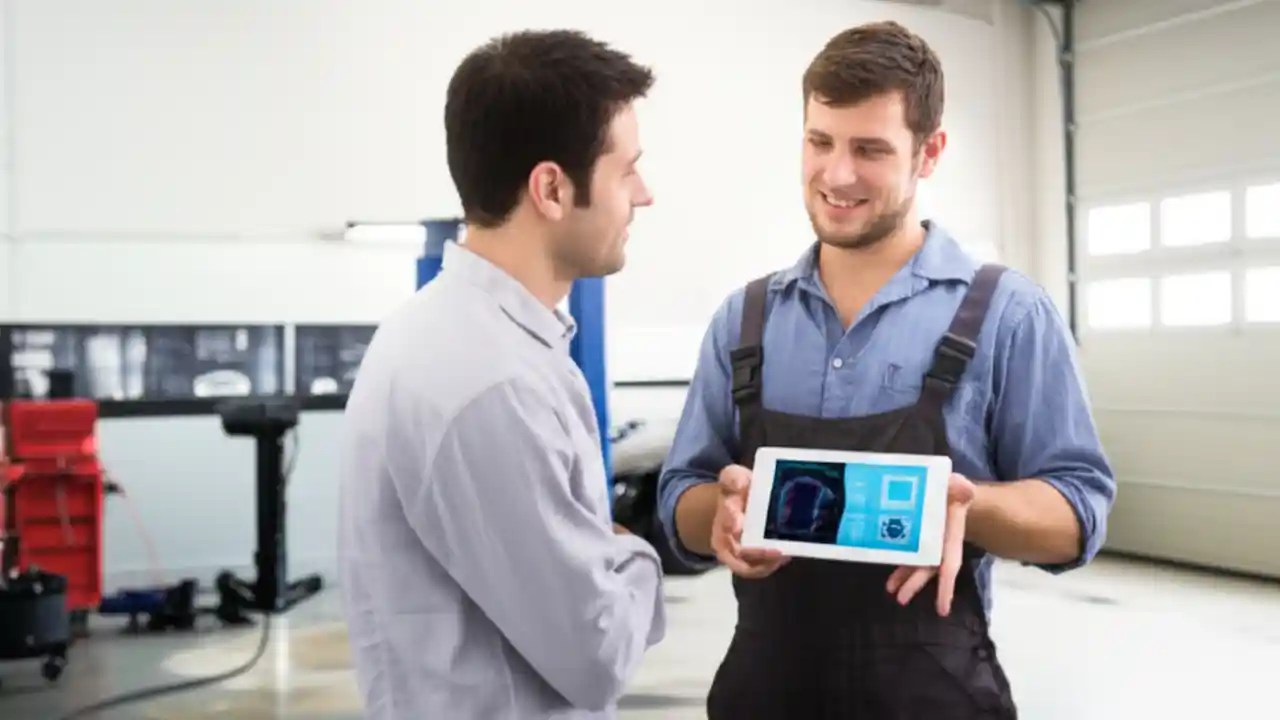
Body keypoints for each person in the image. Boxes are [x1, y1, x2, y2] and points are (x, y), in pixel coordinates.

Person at [657, 20, 1116, 719]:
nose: (837, 174)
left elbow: (1078, 514)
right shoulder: (743, 320)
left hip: (933, 696)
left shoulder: (1008, 314)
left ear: (929, 153)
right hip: (763, 695)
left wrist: (963, 507)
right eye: (820, 142)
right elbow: (680, 499)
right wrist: (718, 516)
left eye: (869, 149)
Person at [337, 29, 664, 720]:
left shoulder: (451, 335)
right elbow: (597, 654)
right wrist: (638, 554)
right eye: (626, 171)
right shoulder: (492, 385)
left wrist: (599, 554)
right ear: (551, 188)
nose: (644, 194)